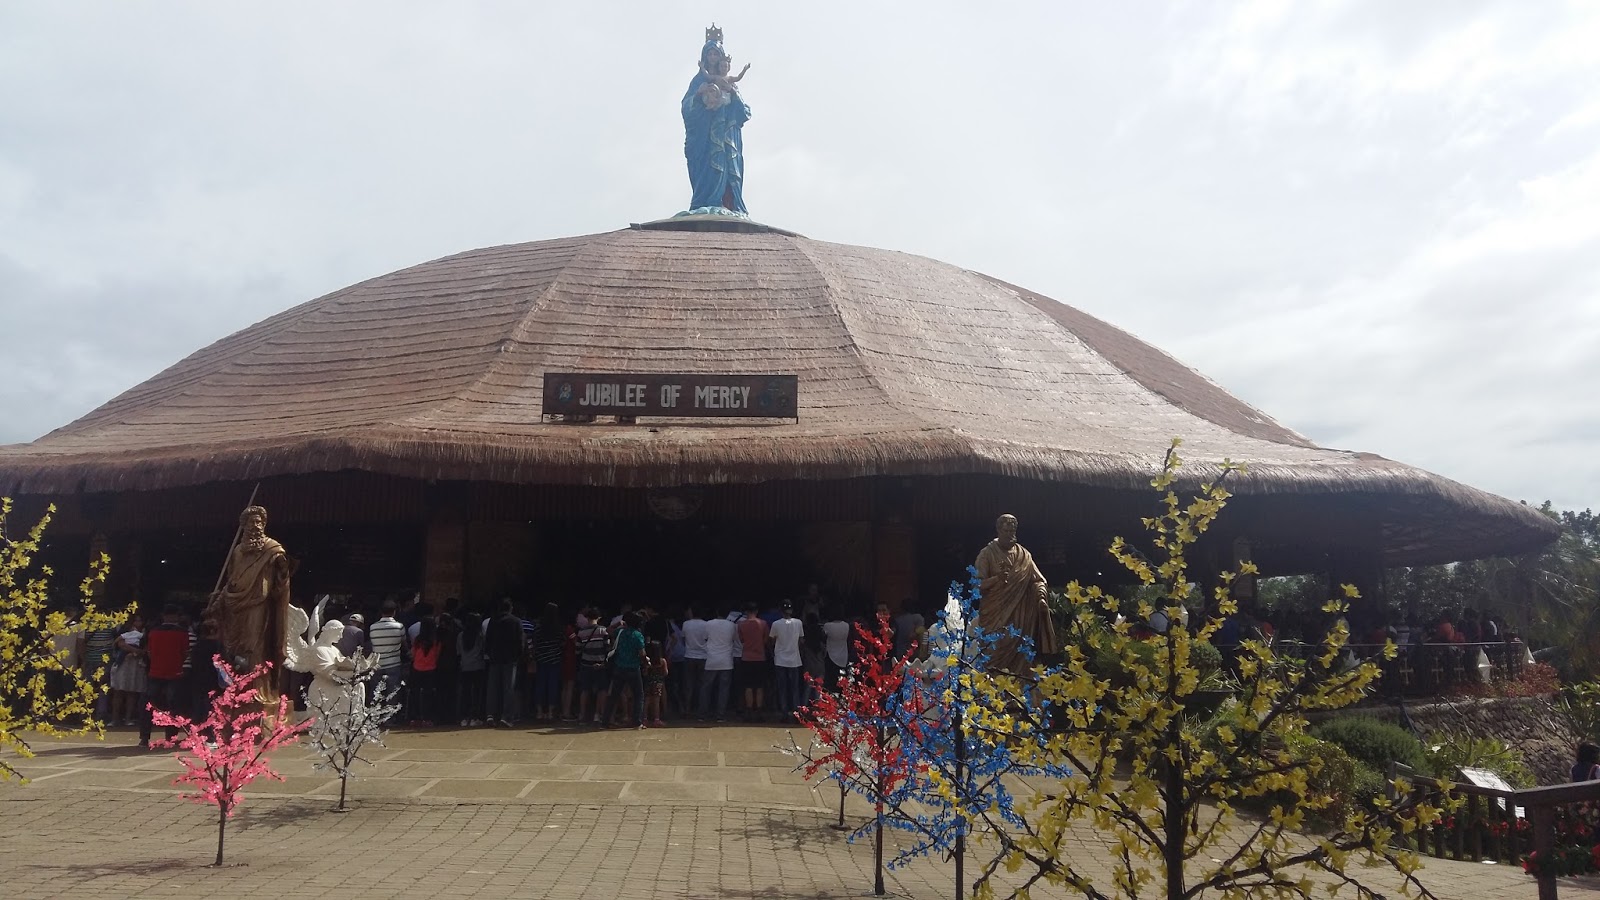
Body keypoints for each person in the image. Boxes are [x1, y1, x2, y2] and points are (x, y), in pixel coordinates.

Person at [204, 506, 293, 699]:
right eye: (252, 522)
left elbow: (280, 582)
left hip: (258, 604)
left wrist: (282, 572)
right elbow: (232, 580)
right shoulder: (237, 551)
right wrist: (220, 598)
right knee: (235, 649)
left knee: (255, 646)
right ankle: (236, 690)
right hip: (235, 606)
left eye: (259, 522)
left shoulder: (273, 550)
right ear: (244, 525)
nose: (256, 525)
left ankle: (256, 691)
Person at [974, 514, 1059, 673]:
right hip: (995, 616)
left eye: (1012, 531)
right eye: (1006, 531)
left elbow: (1038, 580)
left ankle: (1020, 689)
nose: (1010, 534)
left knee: (1021, 654)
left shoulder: (1024, 555)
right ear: (999, 530)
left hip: (1021, 617)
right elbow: (976, 584)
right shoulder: (987, 554)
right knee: (993, 653)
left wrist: (1040, 595)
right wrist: (996, 579)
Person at [681, 27, 752, 214]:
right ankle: (706, 201)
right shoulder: (698, 80)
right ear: (705, 56)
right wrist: (699, 94)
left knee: (728, 167)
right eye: (709, 53)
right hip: (705, 138)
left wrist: (734, 95)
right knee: (708, 168)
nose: (712, 57)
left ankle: (729, 203)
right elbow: (686, 106)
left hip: (726, 135)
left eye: (715, 54)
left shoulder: (728, 80)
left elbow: (743, 111)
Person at [139, 605, 189, 749]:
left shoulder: (153, 632)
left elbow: (149, 652)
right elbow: (184, 653)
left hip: (155, 672)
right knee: (173, 706)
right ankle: (171, 737)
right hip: (175, 673)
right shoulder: (182, 633)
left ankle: (144, 737)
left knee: (148, 706)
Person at [602, 612, 648, 729]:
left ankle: (605, 721)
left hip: (619, 666)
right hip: (633, 668)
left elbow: (608, 630)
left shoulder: (620, 632)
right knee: (638, 695)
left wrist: (618, 623)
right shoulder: (638, 635)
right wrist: (645, 663)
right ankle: (637, 721)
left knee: (614, 695)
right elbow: (642, 653)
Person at [484, 599, 524, 728]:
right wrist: (518, 655)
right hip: (510, 658)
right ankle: (506, 717)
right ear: (510, 608)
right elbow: (520, 641)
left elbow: (488, 639)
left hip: (495, 657)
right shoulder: (516, 621)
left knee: (493, 688)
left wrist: (490, 653)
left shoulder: (493, 621)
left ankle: (490, 714)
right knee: (508, 688)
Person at [700, 605, 740, 721]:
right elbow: (735, 639)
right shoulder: (732, 625)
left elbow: (705, 638)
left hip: (711, 659)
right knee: (724, 689)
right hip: (726, 660)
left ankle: (703, 714)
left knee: (706, 688)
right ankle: (720, 715)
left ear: (717, 612)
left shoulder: (708, 624)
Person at [108, 613, 147, 726]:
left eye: (140, 621)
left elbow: (145, 649)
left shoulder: (144, 634)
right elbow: (120, 644)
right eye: (136, 621)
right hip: (123, 664)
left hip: (136, 665)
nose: (138, 623)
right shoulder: (124, 632)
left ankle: (128, 718)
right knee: (118, 691)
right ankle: (115, 719)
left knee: (132, 692)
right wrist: (134, 650)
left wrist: (138, 652)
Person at [574, 610, 610, 726]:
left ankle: (582, 715)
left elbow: (577, 650)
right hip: (600, 664)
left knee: (585, 690)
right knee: (602, 690)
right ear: (599, 617)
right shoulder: (603, 630)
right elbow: (607, 648)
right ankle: (599, 715)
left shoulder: (581, 632)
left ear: (587, 617)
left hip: (585, 664)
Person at [366, 600, 407, 702]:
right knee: (392, 694)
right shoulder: (399, 627)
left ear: (381, 612)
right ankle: (391, 717)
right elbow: (404, 644)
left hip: (377, 665)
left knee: (376, 693)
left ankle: (374, 716)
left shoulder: (373, 627)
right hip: (393, 664)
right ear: (394, 612)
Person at [530, 602, 565, 722]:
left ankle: (539, 712)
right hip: (555, 659)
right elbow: (562, 643)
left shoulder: (539, 627)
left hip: (541, 659)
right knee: (553, 685)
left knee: (540, 685)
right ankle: (550, 712)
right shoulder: (558, 627)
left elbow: (535, 643)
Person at [736, 602, 770, 721]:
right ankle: (759, 711)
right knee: (759, 686)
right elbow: (766, 640)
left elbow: (742, 640)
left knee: (748, 686)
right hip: (760, 657)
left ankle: (749, 711)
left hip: (746, 657)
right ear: (756, 611)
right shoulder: (763, 624)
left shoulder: (741, 625)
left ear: (746, 611)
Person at [770, 603, 805, 719]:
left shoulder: (776, 624)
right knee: (794, 688)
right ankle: (795, 713)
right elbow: (801, 640)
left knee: (782, 688)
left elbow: (772, 640)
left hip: (780, 659)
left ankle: (784, 713)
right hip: (794, 659)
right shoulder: (798, 623)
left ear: (781, 610)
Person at [408, 618, 441, 727]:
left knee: (415, 694)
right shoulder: (436, 640)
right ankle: (428, 718)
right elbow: (437, 655)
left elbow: (412, 654)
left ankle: (415, 718)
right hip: (431, 669)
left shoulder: (418, 640)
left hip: (417, 668)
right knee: (428, 695)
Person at [457, 610, 487, 726]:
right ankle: (475, 717)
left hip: (465, 667)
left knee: (465, 693)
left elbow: (458, 652)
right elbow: (483, 651)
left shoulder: (461, 635)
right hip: (478, 666)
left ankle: (464, 718)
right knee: (477, 694)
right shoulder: (480, 636)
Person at [680, 607, 709, 716]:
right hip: (703, 657)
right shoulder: (706, 624)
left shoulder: (686, 624)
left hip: (689, 656)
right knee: (702, 684)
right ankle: (701, 709)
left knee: (688, 683)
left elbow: (683, 640)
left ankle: (687, 708)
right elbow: (708, 639)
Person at [821, 607, 851, 692]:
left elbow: (822, 636)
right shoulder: (846, 625)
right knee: (842, 680)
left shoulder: (828, 626)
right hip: (843, 656)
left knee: (831, 682)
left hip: (831, 655)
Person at [642, 639, 669, 728]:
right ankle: (656, 719)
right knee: (656, 701)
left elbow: (645, 673)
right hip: (658, 683)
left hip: (649, 682)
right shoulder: (662, 661)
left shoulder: (648, 661)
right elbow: (665, 673)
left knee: (647, 701)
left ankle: (644, 719)